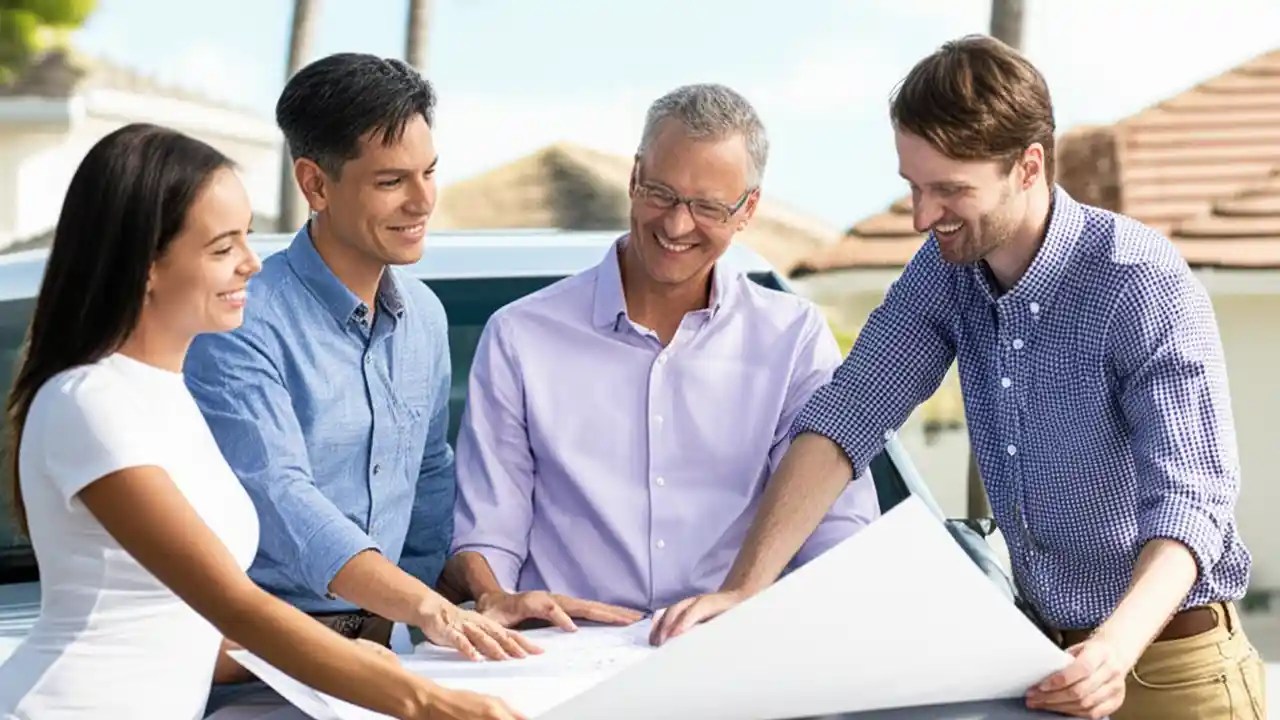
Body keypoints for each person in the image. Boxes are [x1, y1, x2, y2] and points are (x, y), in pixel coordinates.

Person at [650, 36, 1266, 720]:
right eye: (913, 186)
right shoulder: (944, 273)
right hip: (1042, 667)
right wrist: (745, 591)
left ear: (1028, 167)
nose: (921, 215)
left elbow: (1191, 503)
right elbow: (846, 415)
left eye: (949, 189)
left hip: (1170, 671)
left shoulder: (1137, 283)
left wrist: (1113, 651)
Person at [0, 123, 523, 720]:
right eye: (222, 248)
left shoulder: (165, 396)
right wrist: (425, 702)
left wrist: (368, 661)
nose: (252, 264)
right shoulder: (89, 403)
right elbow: (235, 603)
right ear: (145, 264)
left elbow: (180, 629)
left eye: (247, 238)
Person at [440, 83, 880, 630]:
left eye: (708, 207)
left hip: (737, 651)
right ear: (633, 178)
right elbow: (488, 532)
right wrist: (491, 596)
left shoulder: (791, 337)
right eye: (661, 194)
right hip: (565, 656)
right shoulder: (519, 337)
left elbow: (835, 527)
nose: (676, 225)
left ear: (749, 209)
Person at [184, 53, 533, 670]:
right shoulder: (239, 319)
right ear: (316, 184)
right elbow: (279, 494)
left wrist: (455, 601)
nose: (423, 201)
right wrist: (424, 607)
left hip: (392, 654)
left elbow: (429, 477)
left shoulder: (423, 316)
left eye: (429, 172)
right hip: (260, 667)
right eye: (391, 181)